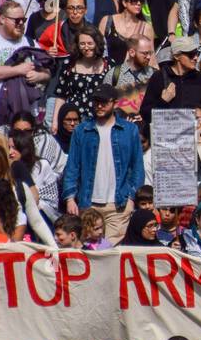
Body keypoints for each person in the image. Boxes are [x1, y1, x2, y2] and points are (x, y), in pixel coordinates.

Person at [61, 84, 144, 243]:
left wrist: (132, 198)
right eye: (96, 102)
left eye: (104, 102)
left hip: (118, 205)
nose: (99, 106)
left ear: (114, 103)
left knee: (111, 252)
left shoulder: (129, 130)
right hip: (88, 202)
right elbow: (73, 166)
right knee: (89, 251)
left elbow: (137, 167)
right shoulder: (81, 130)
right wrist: (70, 198)